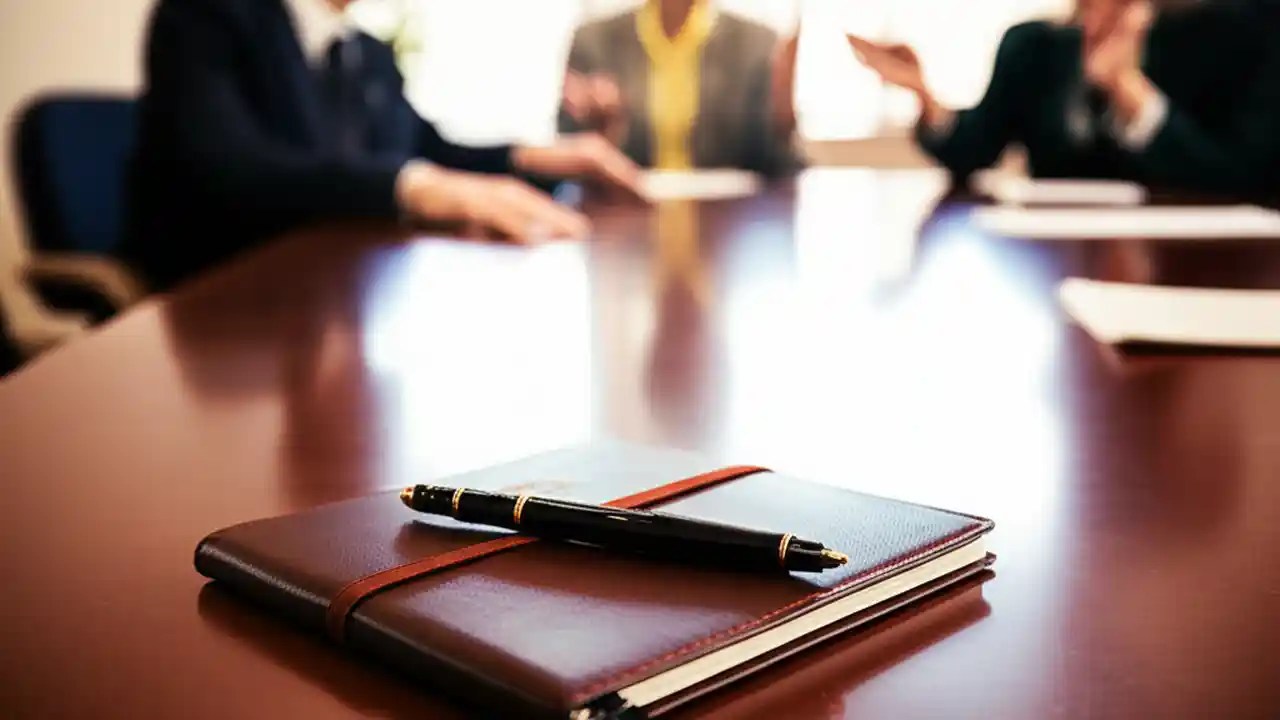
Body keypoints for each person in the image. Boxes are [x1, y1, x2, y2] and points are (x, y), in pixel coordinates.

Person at [127, 0, 643, 289]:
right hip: (224, 315)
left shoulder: (365, 50)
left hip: (332, 291)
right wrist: (413, 187)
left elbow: (423, 146)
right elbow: (231, 172)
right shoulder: (204, 19)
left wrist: (535, 157)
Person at [850, 0, 1280, 197]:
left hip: (1192, 269)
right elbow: (971, 150)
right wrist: (924, 93)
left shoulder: (1229, 34)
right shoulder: (1033, 46)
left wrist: (1131, 93)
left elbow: (1241, 174)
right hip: (1062, 265)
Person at [561, 0, 803, 177]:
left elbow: (772, 163)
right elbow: (563, 154)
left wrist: (784, 126)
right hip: (623, 221)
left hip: (723, 220)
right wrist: (601, 130)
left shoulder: (756, 43)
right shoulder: (594, 41)